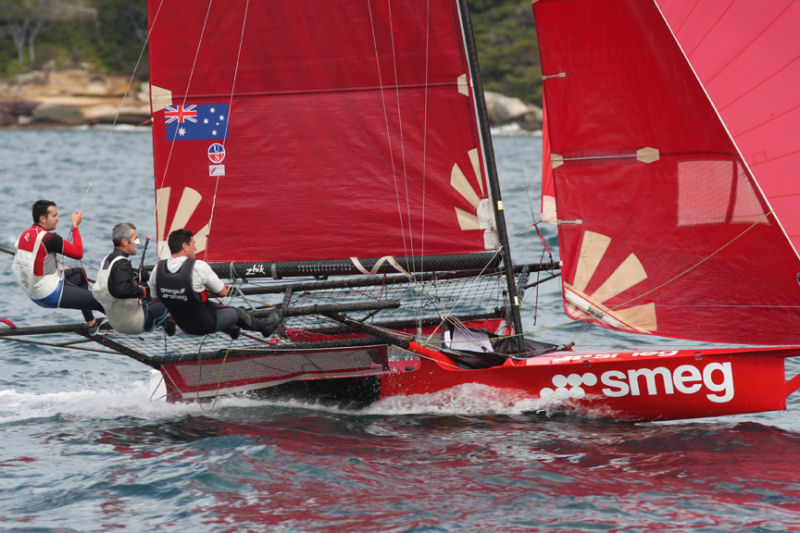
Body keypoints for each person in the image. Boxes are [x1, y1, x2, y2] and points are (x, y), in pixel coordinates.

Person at [149, 228, 282, 339]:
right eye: (193, 244)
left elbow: (156, 299)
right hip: (203, 325)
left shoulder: (157, 269)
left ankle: (232, 330)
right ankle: (265, 327)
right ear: (185, 246)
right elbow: (223, 292)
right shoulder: (198, 266)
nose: (195, 248)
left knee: (210, 307)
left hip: (183, 325)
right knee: (238, 313)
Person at [12, 199, 104, 326]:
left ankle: (91, 322)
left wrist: (57, 266)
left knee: (79, 274)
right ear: (43, 218)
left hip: (33, 293)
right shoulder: (50, 239)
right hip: (49, 294)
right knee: (100, 301)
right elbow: (78, 253)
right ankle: (124, 324)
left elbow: (35, 260)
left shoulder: (24, 235)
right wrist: (75, 226)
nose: (58, 218)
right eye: (54, 215)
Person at [91, 223, 176, 336]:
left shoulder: (108, 259)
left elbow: (114, 279)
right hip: (132, 324)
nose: (138, 243)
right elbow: (120, 289)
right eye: (135, 239)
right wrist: (140, 291)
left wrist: (136, 273)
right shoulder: (123, 263)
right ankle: (170, 326)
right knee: (172, 301)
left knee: (145, 286)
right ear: (125, 242)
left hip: (115, 321)